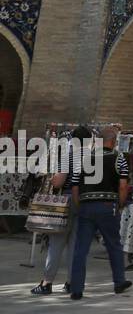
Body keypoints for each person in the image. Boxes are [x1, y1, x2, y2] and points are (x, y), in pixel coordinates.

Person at [67, 127, 132, 300]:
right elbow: (123, 185)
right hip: (107, 206)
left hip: (86, 207)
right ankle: (119, 282)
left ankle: (76, 288)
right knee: (114, 245)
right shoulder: (119, 158)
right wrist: (120, 204)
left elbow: (74, 185)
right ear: (114, 140)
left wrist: (79, 205)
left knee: (81, 248)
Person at [31, 124, 91, 296]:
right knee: (75, 244)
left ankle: (47, 282)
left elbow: (58, 182)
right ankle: (73, 282)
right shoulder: (94, 158)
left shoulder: (69, 156)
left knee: (56, 243)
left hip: (67, 200)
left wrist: (52, 178)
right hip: (84, 203)